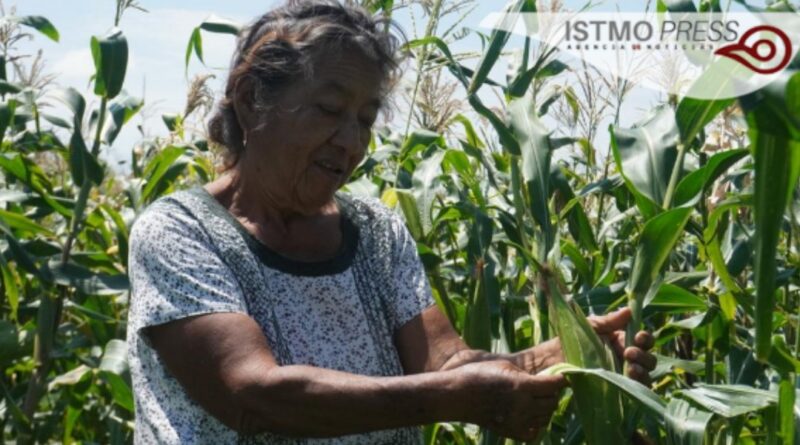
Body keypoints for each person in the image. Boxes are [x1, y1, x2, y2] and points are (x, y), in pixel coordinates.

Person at [126, 1, 657, 443]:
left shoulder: (374, 232)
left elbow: (446, 364)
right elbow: (253, 396)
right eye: (330, 111)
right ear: (250, 100)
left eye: (364, 119)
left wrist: (561, 357)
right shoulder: (180, 233)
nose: (351, 142)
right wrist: (461, 398)